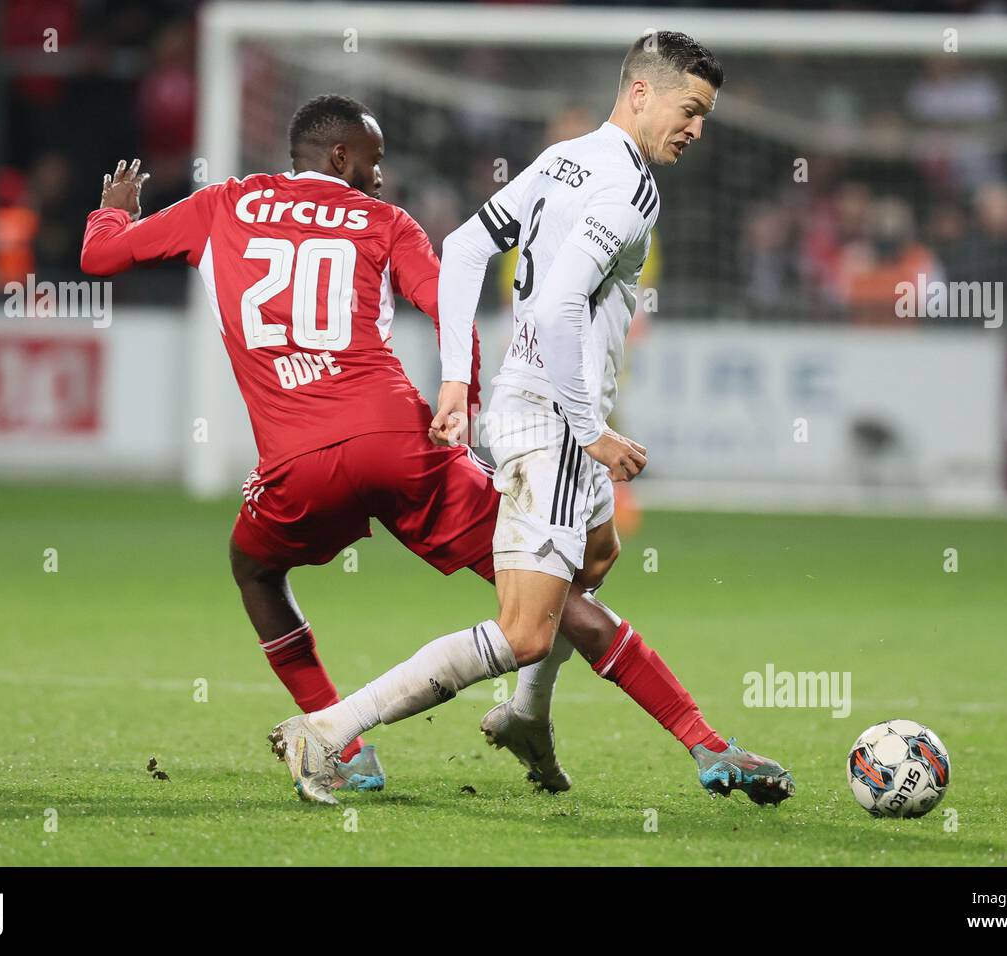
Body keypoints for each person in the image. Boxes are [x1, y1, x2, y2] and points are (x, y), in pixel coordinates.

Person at [80, 95, 741, 799]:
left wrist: (115, 210)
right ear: (339, 156)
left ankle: (348, 748)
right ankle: (702, 742)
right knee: (555, 591)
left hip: (298, 463)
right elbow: (450, 309)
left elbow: (100, 255)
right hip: (404, 447)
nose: (380, 175)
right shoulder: (385, 222)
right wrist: (465, 397)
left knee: (255, 570)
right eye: (374, 158)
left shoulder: (220, 206)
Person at [279, 35, 795, 807]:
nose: (696, 130)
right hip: (553, 421)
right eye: (691, 110)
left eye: (705, 115)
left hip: (534, 407)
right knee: (525, 632)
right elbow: (554, 304)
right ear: (642, 93)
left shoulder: (562, 158)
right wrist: (589, 428)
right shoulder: (630, 190)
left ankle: (527, 714)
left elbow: (460, 248)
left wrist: (459, 378)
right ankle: (328, 731)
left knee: (594, 559)